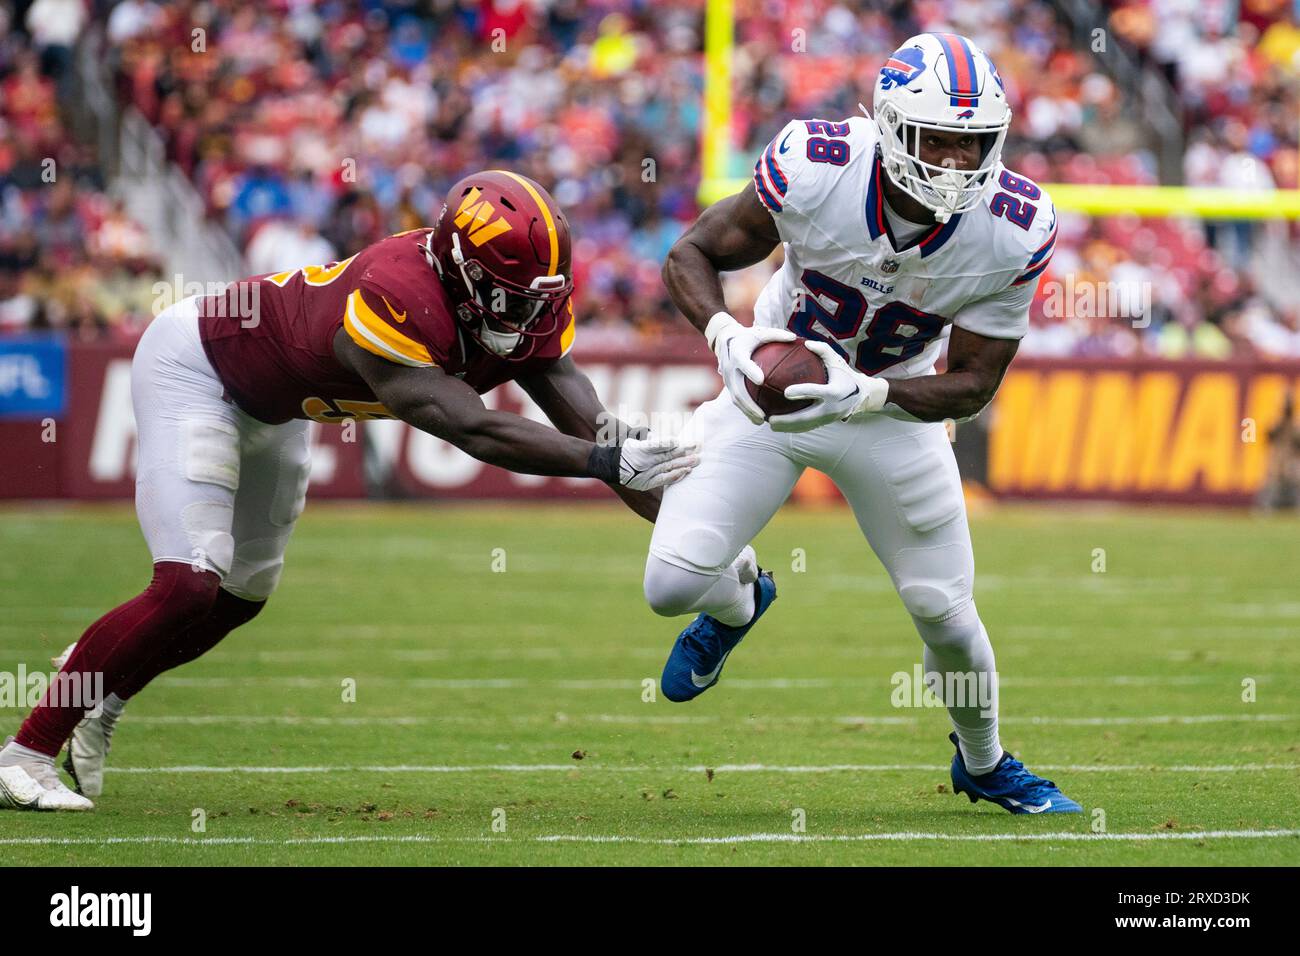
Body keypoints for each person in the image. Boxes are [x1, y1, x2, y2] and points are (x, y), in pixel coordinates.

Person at [0, 170, 699, 811]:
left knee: (241, 596)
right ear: (459, 272)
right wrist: (607, 464)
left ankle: (104, 691)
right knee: (188, 581)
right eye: (508, 296)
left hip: (276, 409)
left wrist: (697, 530)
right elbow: (471, 429)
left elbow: (597, 430)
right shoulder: (397, 293)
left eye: (536, 297)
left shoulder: (508, 302)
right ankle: (24, 754)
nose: (523, 315)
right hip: (200, 369)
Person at [643, 34, 1081, 814]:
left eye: (972, 143)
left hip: (892, 414)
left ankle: (983, 762)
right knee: (671, 583)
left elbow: (974, 383)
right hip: (771, 393)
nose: (954, 161)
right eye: (937, 139)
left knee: (943, 612)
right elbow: (692, 253)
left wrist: (870, 395)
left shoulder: (1014, 227)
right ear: (889, 125)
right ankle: (741, 600)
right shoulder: (819, 163)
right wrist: (729, 338)